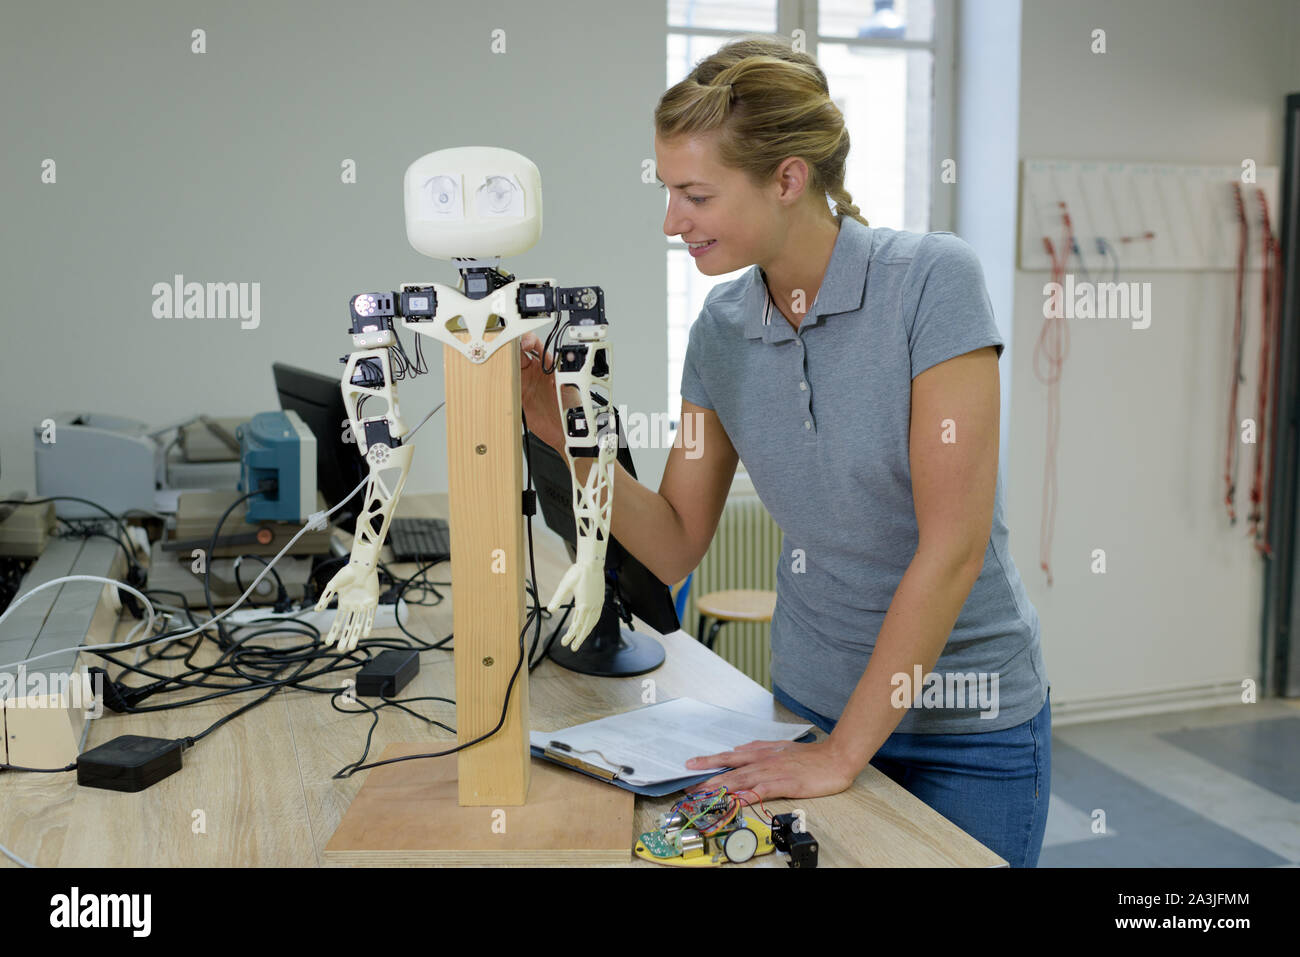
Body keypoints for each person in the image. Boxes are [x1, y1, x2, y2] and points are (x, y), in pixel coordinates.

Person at [521, 35, 1051, 868]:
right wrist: (568, 439)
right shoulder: (721, 332)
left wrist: (847, 752)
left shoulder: (930, 284)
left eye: (694, 194)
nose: (671, 222)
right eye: (669, 193)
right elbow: (674, 539)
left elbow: (952, 548)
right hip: (806, 708)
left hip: (966, 728)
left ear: (789, 178)